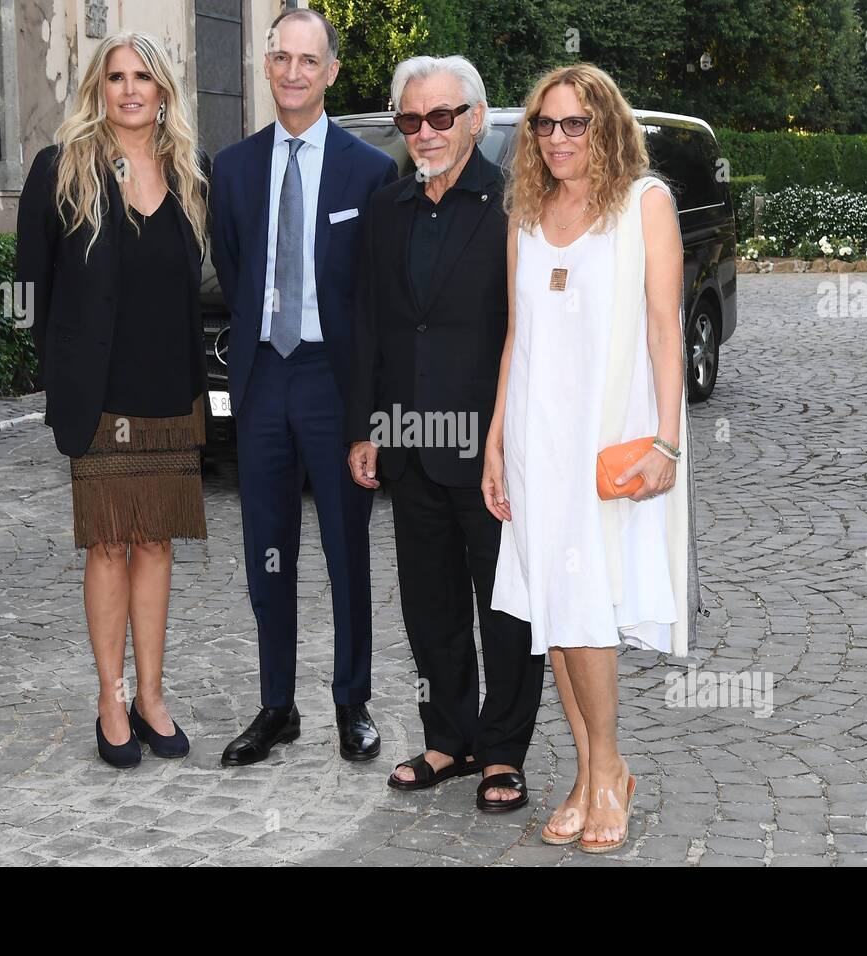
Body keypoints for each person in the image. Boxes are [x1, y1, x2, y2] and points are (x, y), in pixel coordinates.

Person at [487, 64, 705, 852]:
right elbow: (517, 334)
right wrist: (495, 440)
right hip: (538, 438)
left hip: (609, 436)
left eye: (574, 124)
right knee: (556, 606)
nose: (556, 140)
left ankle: (608, 769)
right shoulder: (527, 210)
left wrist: (669, 441)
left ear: (606, 126)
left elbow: (663, 329)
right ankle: (588, 774)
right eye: (544, 125)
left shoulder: (645, 204)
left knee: (588, 609)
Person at [346, 56, 544, 812]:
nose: (424, 132)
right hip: (406, 442)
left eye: (440, 116)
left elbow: (527, 336)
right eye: (410, 119)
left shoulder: (513, 209)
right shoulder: (386, 208)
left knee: (505, 606)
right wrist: (365, 429)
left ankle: (503, 751)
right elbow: (372, 326)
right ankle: (450, 738)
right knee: (430, 606)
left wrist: (509, 437)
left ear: (475, 117)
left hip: (490, 446)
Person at [16, 32, 211, 768]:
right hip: (99, 399)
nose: (129, 90)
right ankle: (110, 694)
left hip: (169, 393)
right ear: (99, 89)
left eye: (143, 78)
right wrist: (63, 381)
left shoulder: (193, 173)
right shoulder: (60, 169)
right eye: (115, 78)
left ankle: (152, 696)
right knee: (107, 545)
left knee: (156, 542)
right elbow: (34, 287)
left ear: (163, 91)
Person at [209, 8, 397, 767]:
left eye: (307, 60)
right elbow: (234, 267)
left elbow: (378, 302)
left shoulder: (370, 171)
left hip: (333, 383)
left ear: (331, 72)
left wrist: (372, 416)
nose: (293, 71)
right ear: (267, 65)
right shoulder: (233, 168)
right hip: (262, 381)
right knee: (267, 552)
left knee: (345, 547)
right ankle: (276, 706)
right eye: (280, 57)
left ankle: (352, 703)